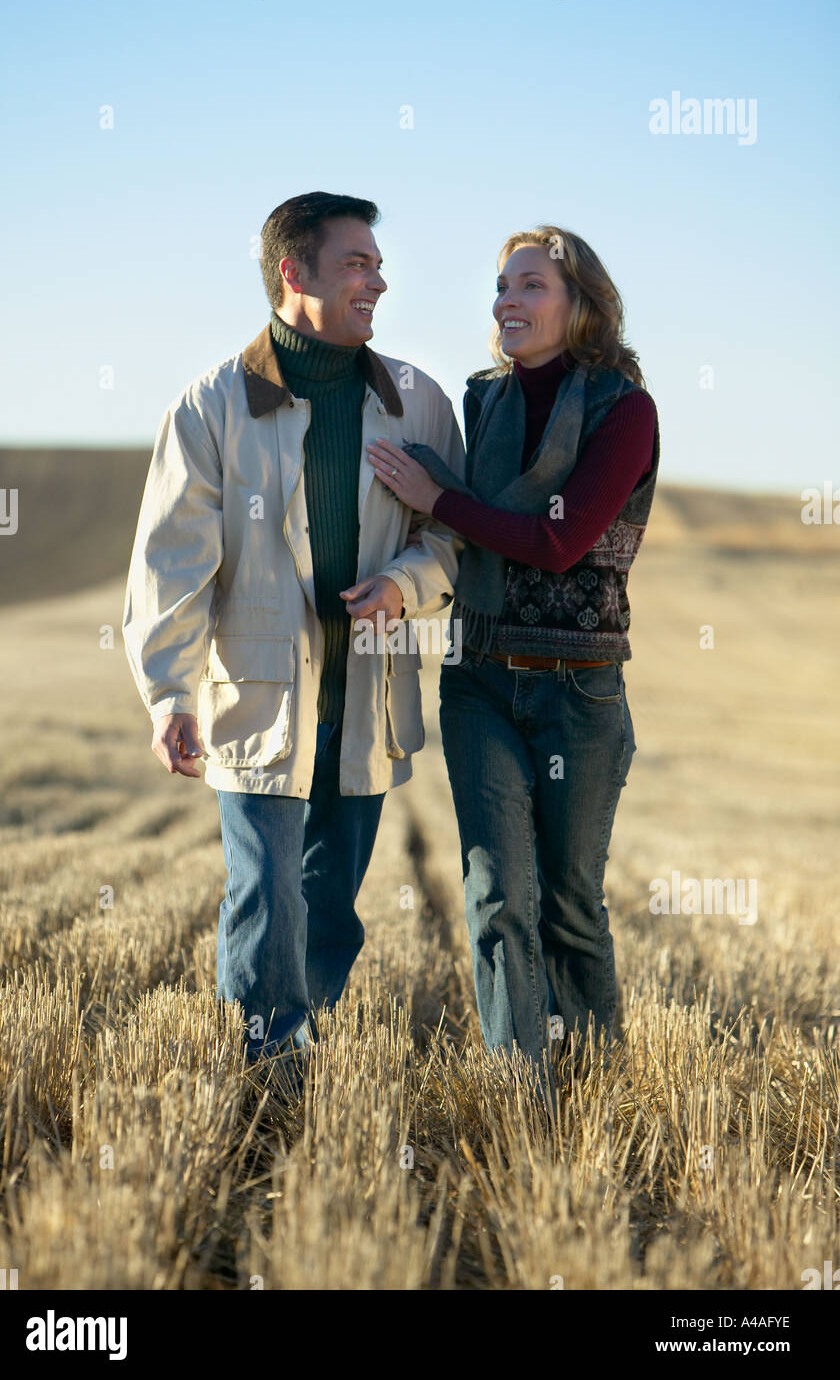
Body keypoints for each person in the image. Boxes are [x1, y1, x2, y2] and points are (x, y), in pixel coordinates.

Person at [122, 191, 465, 1067]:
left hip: (367, 699)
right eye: (358, 263)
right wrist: (168, 692)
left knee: (329, 905)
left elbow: (455, 536)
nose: (379, 282)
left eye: (378, 266)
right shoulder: (211, 409)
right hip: (258, 697)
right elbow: (173, 566)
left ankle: (296, 1029)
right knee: (266, 893)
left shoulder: (419, 403)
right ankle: (270, 1057)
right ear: (292, 272)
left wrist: (405, 581)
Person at [367, 225, 659, 1072]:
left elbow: (557, 540)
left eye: (531, 285)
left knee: (569, 905)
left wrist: (438, 497)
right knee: (497, 898)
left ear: (582, 305)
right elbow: (471, 529)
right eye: (501, 286)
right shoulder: (482, 401)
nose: (508, 301)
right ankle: (517, 1087)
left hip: (580, 692)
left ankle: (597, 1081)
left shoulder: (624, 411)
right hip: (481, 681)